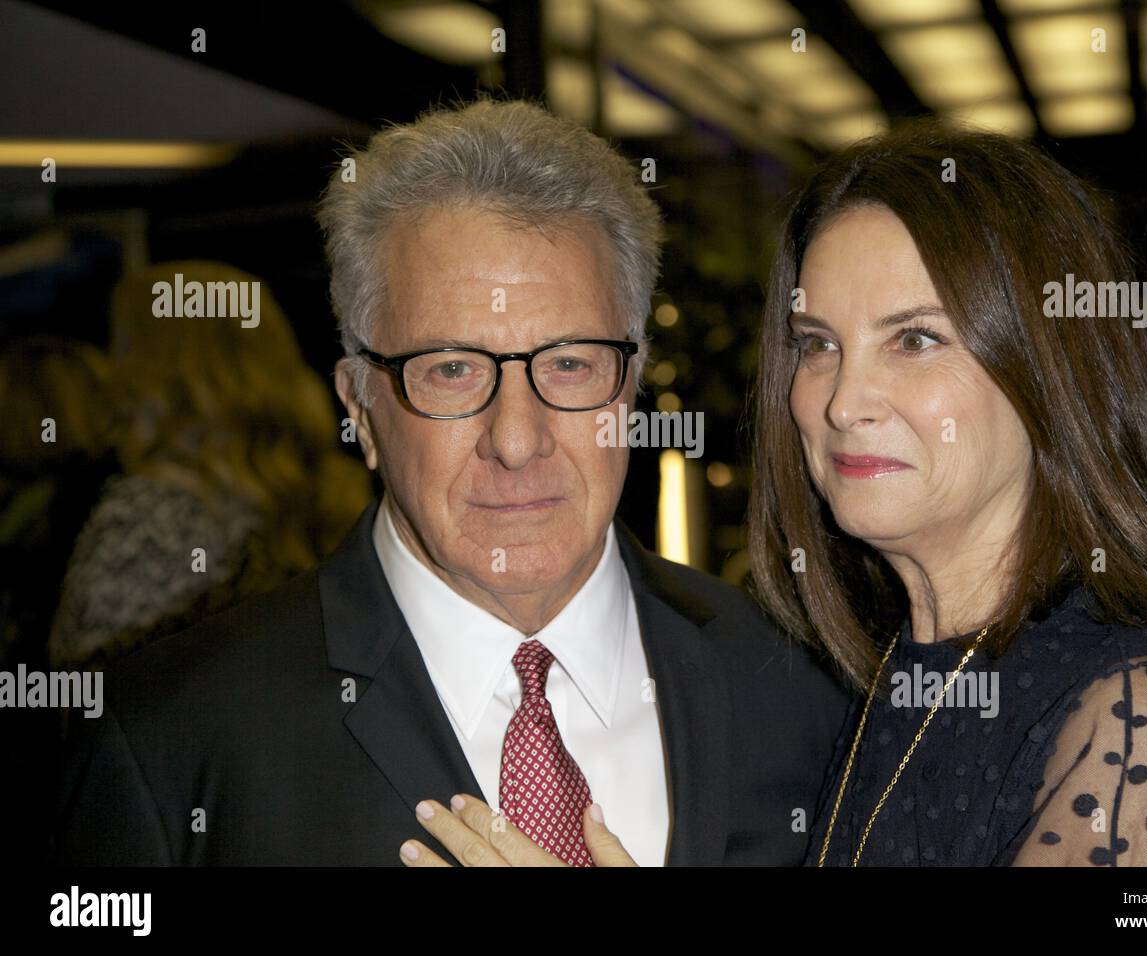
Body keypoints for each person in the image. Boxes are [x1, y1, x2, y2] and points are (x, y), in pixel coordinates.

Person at [417, 120, 1147, 868]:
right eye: (817, 343)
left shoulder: (1143, 716)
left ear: (1051, 368)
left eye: (914, 339)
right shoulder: (885, 684)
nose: (842, 400)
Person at [50, 99, 852, 867]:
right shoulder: (171, 745)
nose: (515, 440)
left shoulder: (802, 695)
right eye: (452, 370)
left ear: (632, 382)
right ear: (360, 408)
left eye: (570, 364)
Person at [48, 261, 373, 670]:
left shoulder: (149, 515)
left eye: (126, 346)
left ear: (160, 369)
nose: (113, 369)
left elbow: (84, 700)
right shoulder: (336, 489)